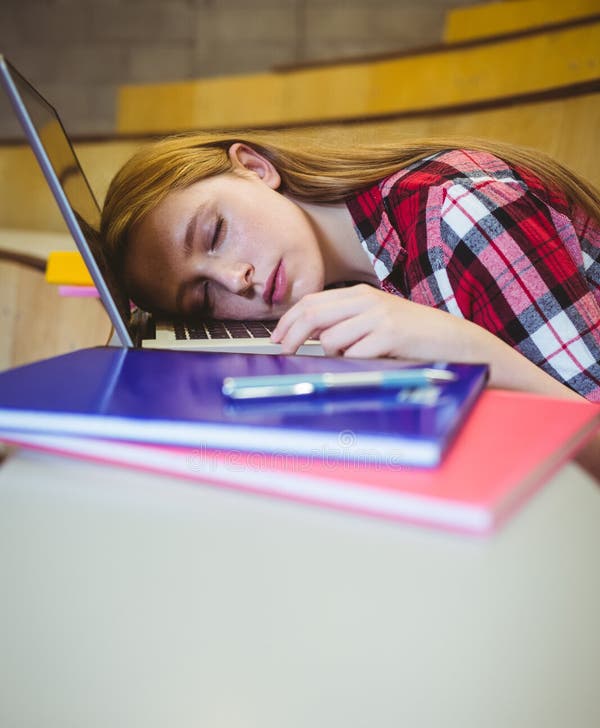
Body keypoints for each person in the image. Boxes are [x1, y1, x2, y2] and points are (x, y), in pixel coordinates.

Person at [100, 132, 600, 479]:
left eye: (216, 232)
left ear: (254, 168)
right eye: (203, 297)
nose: (237, 280)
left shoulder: (462, 220)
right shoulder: (358, 274)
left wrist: (468, 349)